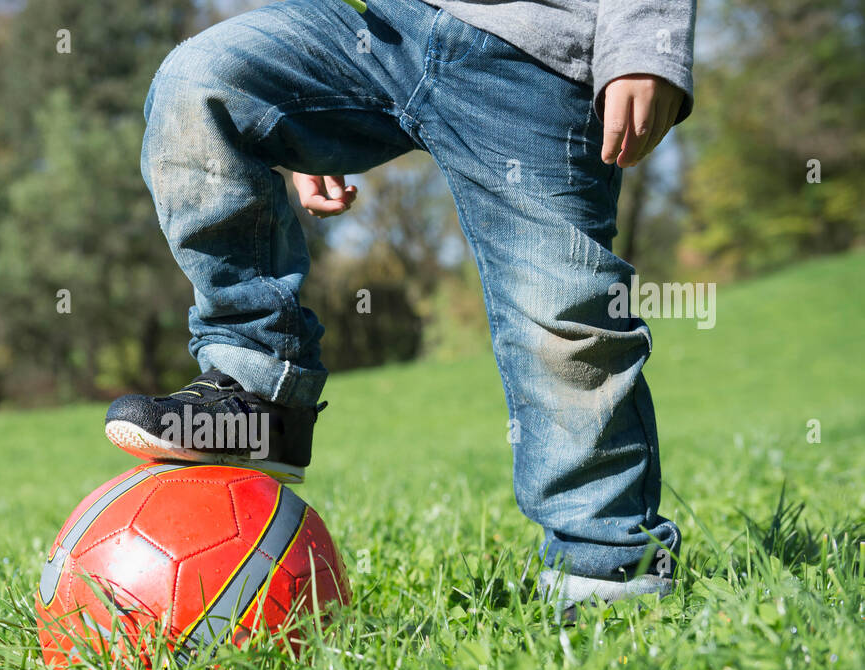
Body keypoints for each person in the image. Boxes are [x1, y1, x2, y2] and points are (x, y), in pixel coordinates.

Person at [105, 0, 694, 604]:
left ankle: (606, 567)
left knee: (563, 315)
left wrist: (647, 39)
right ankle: (258, 394)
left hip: (536, 53)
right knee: (202, 82)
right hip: (373, 23)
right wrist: (305, 134)